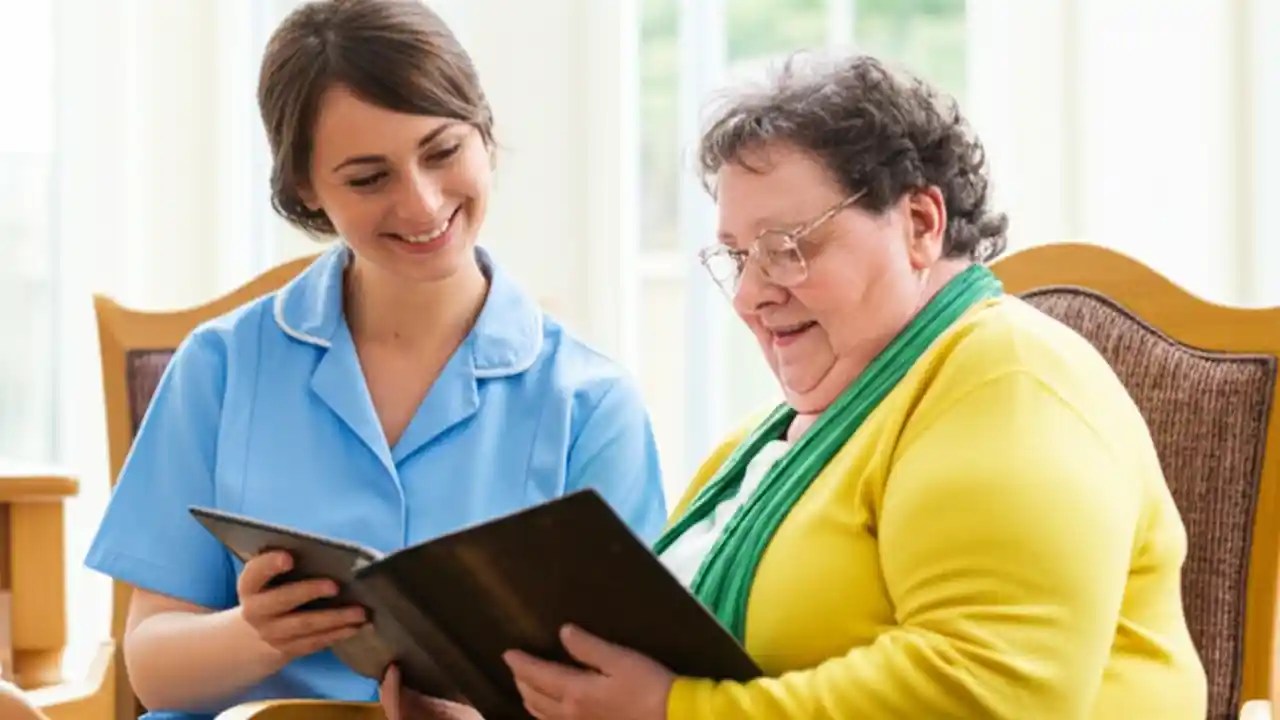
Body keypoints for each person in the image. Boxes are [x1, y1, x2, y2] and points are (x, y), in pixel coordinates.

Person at [490, 54, 1210, 718]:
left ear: (921, 224)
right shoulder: (766, 445)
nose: (748, 296)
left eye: (788, 249)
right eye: (738, 257)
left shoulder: (1009, 375)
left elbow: (988, 690)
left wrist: (673, 710)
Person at [83, 1, 666, 718]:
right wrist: (255, 636)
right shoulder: (220, 368)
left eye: (443, 151)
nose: (421, 204)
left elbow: (623, 687)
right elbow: (153, 667)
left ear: (484, 134)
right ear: (306, 189)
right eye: (368, 178)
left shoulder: (589, 402)